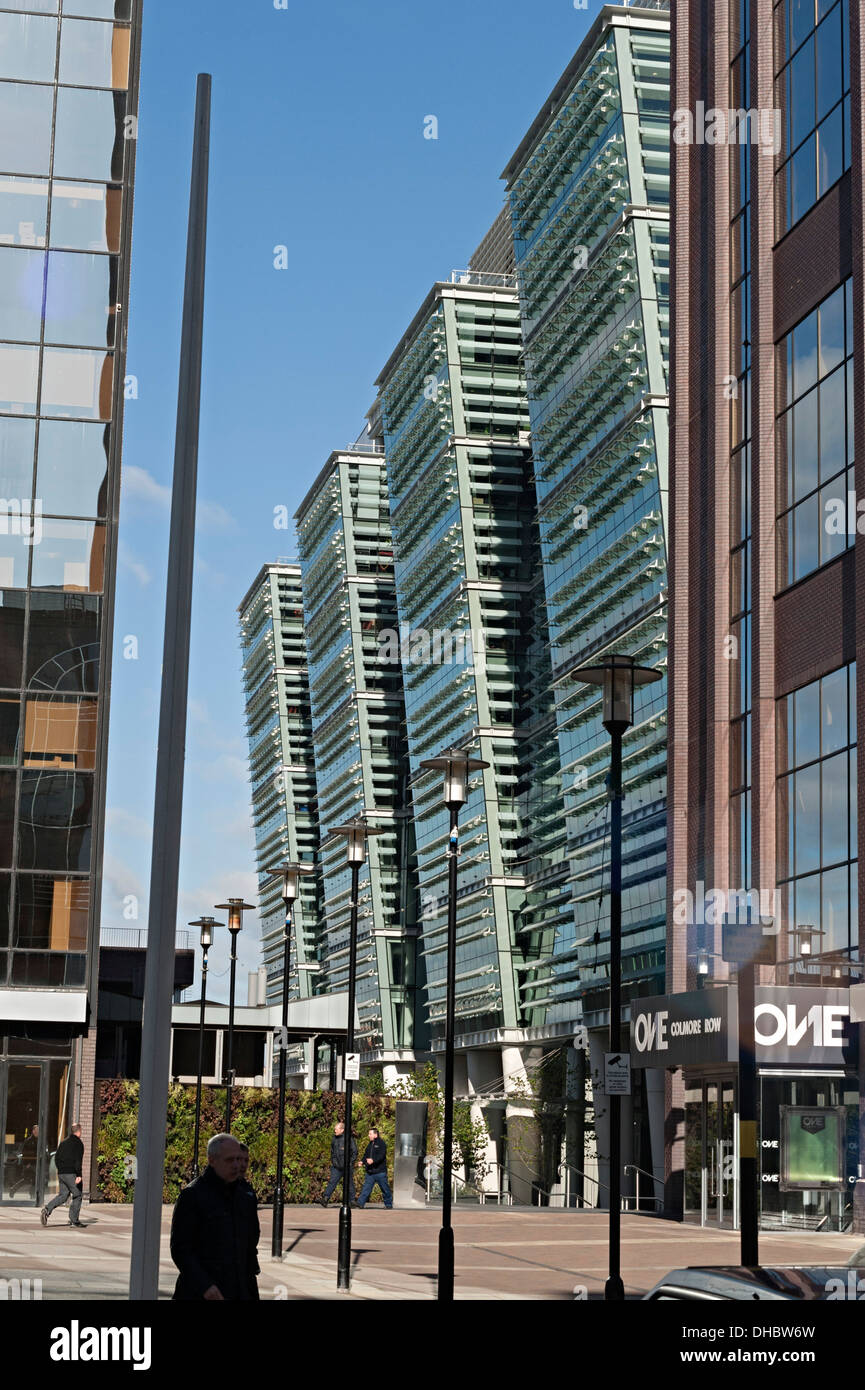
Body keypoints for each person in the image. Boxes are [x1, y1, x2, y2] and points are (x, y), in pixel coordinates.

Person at [170, 1133, 260, 1301]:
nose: (236, 1165)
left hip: (240, 1289)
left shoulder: (245, 1194)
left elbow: (250, 1243)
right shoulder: (193, 1195)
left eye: (238, 1159)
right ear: (212, 1160)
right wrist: (205, 1286)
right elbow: (181, 1249)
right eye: (229, 1160)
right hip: (201, 1292)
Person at [41, 1122, 84, 1227]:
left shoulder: (63, 1143)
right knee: (78, 1195)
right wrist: (79, 1175)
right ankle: (74, 1220)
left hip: (62, 1173)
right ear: (79, 1132)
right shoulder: (78, 1143)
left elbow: (57, 1158)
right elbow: (78, 1160)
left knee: (63, 1195)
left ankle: (47, 1209)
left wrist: (60, 1169)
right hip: (72, 1174)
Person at [318, 1122, 357, 1207]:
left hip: (347, 1167)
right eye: (335, 1129)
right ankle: (325, 1199)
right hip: (336, 1167)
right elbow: (332, 1152)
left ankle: (352, 1201)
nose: (335, 1130)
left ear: (342, 1130)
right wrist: (334, 1161)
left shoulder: (348, 1139)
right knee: (332, 1182)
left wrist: (350, 1162)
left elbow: (354, 1152)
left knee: (349, 1183)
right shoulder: (334, 1139)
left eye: (336, 1129)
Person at [357, 1127, 393, 1209]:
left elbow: (381, 1156)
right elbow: (366, 1155)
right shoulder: (370, 1144)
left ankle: (388, 1205)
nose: (368, 1135)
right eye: (369, 1134)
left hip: (380, 1172)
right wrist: (362, 1162)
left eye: (370, 1134)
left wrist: (373, 1160)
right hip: (370, 1172)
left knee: (385, 1189)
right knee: (366, 1188)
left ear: (375, 1134)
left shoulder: (381, 1143)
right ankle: (360, 1203)